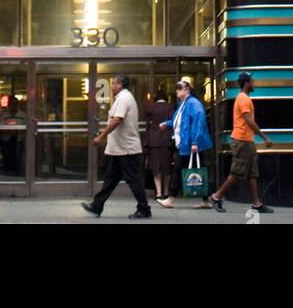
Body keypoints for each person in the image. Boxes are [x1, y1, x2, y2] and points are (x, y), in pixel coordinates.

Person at [82, 74, 152, 219]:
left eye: (113, 83)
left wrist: (101, 136)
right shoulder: (124, 98)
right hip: (121, 149)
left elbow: (116, 120)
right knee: (110, 179)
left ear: (120, 85)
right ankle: (97, 205)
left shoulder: (123, 98)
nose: (112, 86)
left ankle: (144, 209)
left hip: (126, 149)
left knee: (134, 180)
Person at [208, 71, 273, 214]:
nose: (254, 84)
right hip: (242, 140)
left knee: (252, 173)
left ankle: (256, 203)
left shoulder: (244, 98)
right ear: (247, 83)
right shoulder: (244, 99)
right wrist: (264, 137)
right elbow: (249, 121)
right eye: (252, 81)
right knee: (237, 172)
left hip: (246, 140)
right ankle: (216, 196)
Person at [157, 77, 214, 209]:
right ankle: (207, 199)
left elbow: (198, 122)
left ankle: (171, 198)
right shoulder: (185, 104)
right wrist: (167, 124)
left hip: (190, 144)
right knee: (197, 169)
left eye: (179, 88)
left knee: (179, 169)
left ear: (187, 90)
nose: (176, 91)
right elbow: (179, 122)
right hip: (188, 144)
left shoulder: (192, 104)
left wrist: (195, 142)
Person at [145, 87, 173, 200]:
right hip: (166, 140)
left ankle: (158, 191)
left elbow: (148, 125)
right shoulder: (170, 107)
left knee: (156, 167)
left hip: (154, 141)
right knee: (166, 167)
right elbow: (173, 122)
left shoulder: (151, 108)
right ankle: (166, 191)